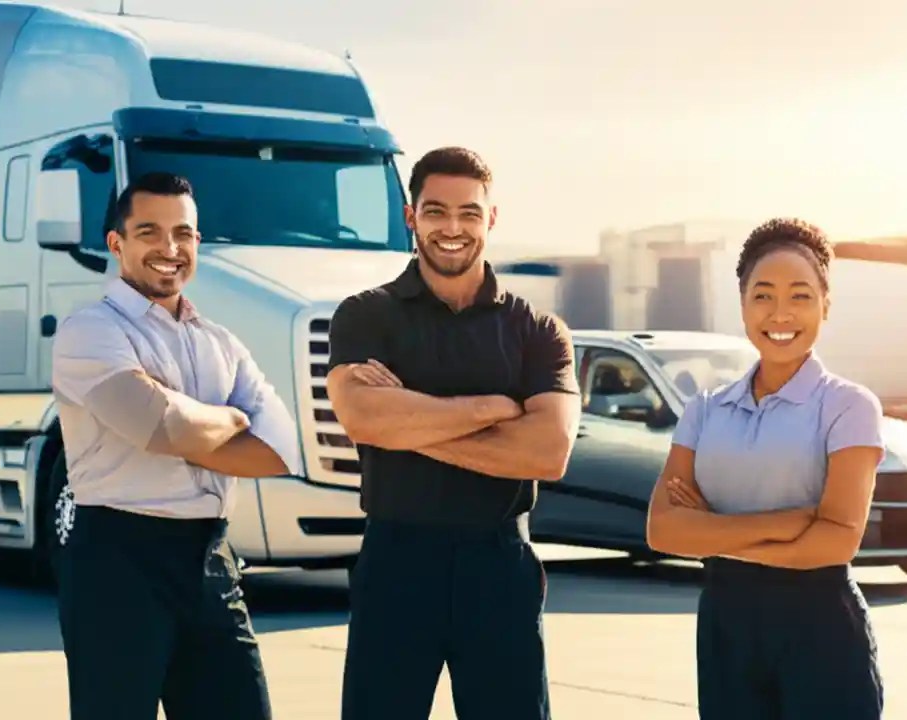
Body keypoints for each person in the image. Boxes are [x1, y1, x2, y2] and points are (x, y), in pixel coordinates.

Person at [326, 146, 581, 720]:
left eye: (469, 213)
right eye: (436, 211)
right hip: (397, 561)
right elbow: (362, 416)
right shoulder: (366, 315)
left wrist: (406, 425)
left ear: (491, 220)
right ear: (410, 215)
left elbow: (548, 450)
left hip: (500, 566)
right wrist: (492, 407)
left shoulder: (537, 329)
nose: (453, 228)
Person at [50, 172, 301, 720]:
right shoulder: (89, 332)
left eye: (183, 233)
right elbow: (162, 428)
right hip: (117, 561)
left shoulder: (221, 342)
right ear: (117, 244)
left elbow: (278, 449)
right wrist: (231, 418)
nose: (169, 249)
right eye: (149, 232)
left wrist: (182, 422)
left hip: (210, 560)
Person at [645, 217, 886, 719]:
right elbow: (663, 530)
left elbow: (838, 540)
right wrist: (783, 523)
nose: (780, 313)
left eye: (800, 295)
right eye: (763, 295)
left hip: (821, 630)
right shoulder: (705, 409)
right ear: (742, 305)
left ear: (826, 304)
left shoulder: (848, 406)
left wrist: (709, 530)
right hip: (725, 630)